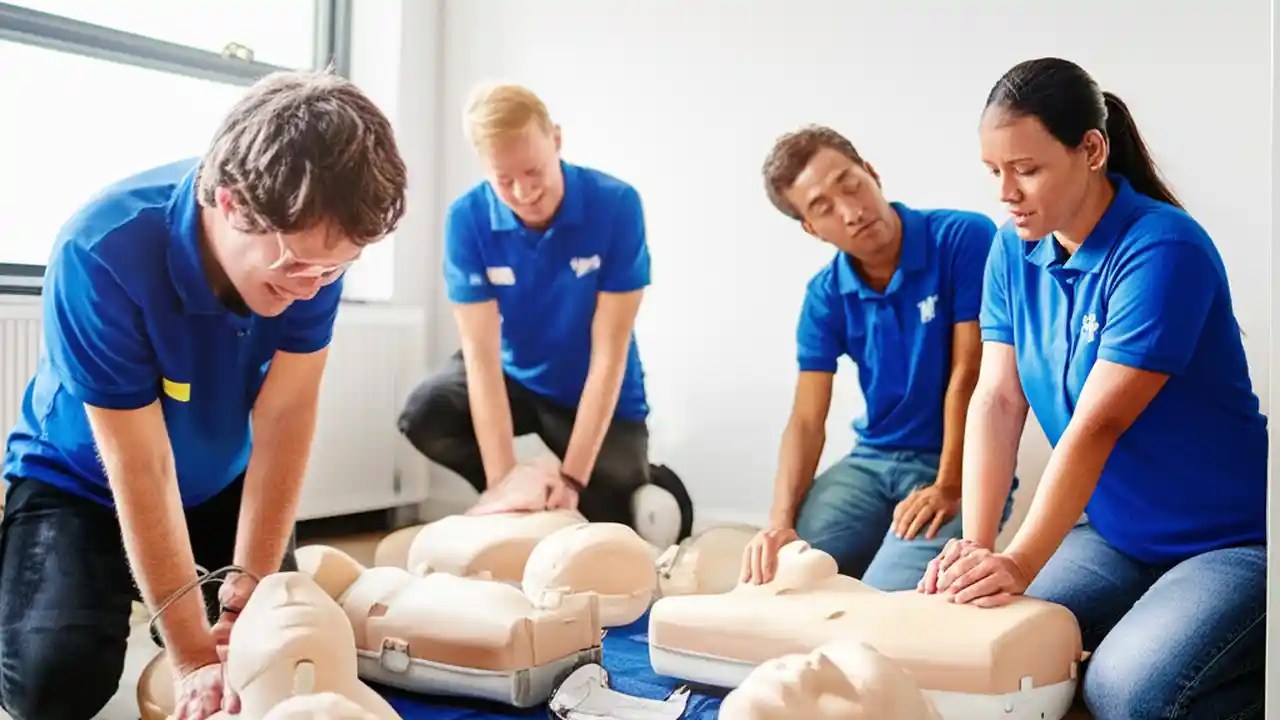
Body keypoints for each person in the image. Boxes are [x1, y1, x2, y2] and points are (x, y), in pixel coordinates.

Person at [0, 70, 407, 720]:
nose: (313, 287)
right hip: (78, 484)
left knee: (275, 649)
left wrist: (247, 585)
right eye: (298, 265)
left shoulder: (316, 249)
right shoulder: (101, 252)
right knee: (54, 683)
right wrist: (192, 654)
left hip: (218, 479)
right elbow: (142, 464)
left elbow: (285, 417)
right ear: (230, 203)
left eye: (335, 269)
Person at [920, 57, 1267, 718]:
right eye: (995, 172)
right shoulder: (1011, 250)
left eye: (1026, 169)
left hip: (1232, 539)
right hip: (1116, 535)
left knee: (1125, 690)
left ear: (1091, 150)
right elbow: (996, 401)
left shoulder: (1164, 250)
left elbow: (1096, 425)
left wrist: (1020, 562)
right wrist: (977, 543)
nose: (1006, 192)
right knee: (990, 637)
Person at [740, 125, 1016, 592]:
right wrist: (778, 523)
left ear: (872, 173)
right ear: (811, 228)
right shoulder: (824, 295)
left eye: (850, 185)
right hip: (869, 463)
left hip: (957, 463)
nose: (851, 212)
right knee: (783, 579)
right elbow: (807, 419)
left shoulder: (963, 237)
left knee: (888, 600)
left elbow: (968, 373)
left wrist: (949, 484)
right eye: (823, 208)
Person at [397, 83, 682, 532]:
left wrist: (571, 478)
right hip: (514, 375)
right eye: (504, 180)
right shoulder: (466, 219)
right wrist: (503, 486)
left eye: (533, 171)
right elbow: (481, 359)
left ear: (557, 140)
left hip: (591, 385)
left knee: (609, 503)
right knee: (426, 414)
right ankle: (528, 486)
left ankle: (632, 475)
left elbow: (609, 355)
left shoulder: (617, 204)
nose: (524, 192)